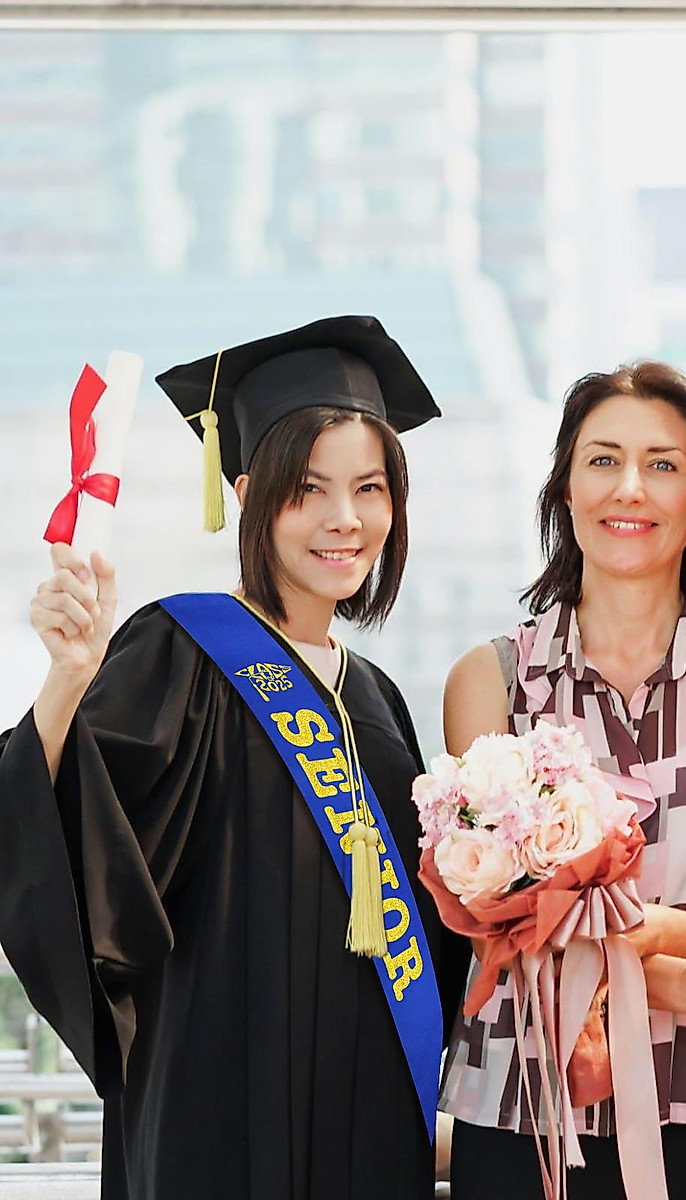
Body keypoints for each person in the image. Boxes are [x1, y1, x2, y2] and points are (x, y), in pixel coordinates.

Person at [0, 315, 468, 1199]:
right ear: (249, 494)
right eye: (308, 489)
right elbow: (53, 824)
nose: (344, 519)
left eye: (369, 489)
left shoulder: (377, 698)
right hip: (213, 1119)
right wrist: (66, 682)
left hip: (365, 1132)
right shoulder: (181, 651)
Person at [437, 361, 686, 1199]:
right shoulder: (492, 679)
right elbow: (499, 933)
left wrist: (654, 941)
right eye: (602, 460)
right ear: (565, 491)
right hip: (527, 1104)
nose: (628, 488)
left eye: (663, 464)